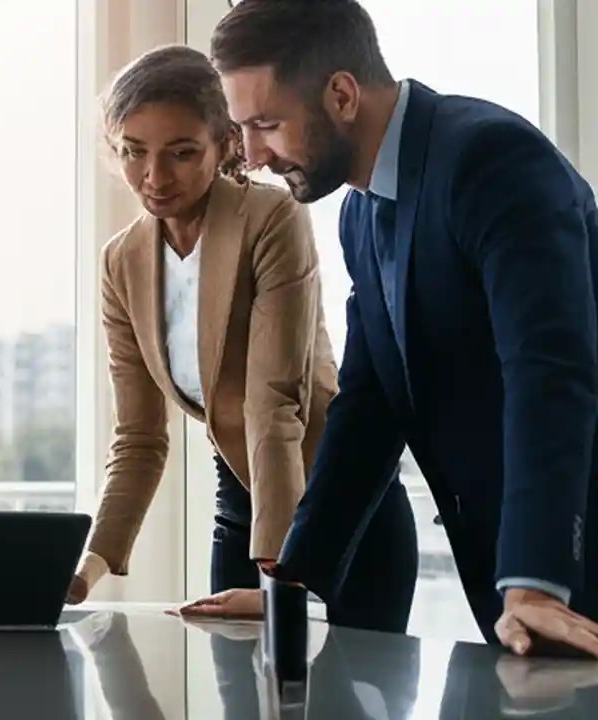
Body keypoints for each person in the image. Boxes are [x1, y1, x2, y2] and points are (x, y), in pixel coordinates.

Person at [205, 0, 598, 656]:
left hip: (561, 575)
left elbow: (550, 370)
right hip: (515, 603)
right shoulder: (362, 217)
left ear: (341, 94)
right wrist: (294, 583)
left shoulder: (488, 158)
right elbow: (370, 405)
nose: (251, 156)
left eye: (266, 124)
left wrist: (536, 578)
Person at [65, 44, 417, 633]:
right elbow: (139, 437)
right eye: (134, 152)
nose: (154, 177)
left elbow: (273, 402)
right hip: (241, 506)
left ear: (228, 143)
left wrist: (283, 579)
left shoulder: (271, 219)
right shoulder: (121, 261)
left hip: (341, 510)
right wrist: (81, 573)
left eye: (181, 153)